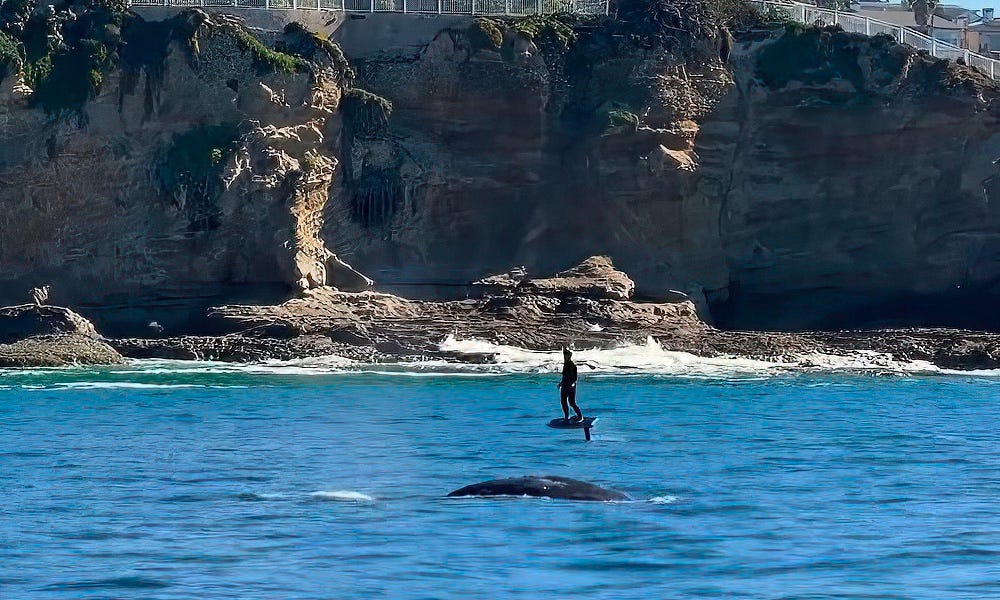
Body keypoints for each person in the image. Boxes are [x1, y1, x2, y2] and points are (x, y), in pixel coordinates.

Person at [557, 347, 584, 422]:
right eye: (564, 355)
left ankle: (580, 417)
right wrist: (561, 383)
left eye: (566, 356)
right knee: (563, 402)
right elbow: (564, 376)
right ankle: (566, 417)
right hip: (564, 386)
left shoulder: (572, 365)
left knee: (572, 403)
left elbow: (575, 378)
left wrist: (572, 384)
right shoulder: (565, 365)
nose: (565, 357)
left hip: (570, 387)